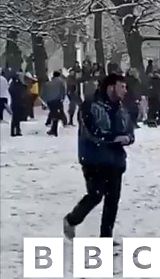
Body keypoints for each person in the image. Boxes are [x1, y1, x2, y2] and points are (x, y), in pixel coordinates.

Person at [63, 73, 136, 239]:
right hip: (94, 158)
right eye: (121, 86)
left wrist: (128, 138)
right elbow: (91, 131)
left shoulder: (121, 108)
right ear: (111, 87)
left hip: (115, 160)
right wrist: (112, 138)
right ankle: (72, 219)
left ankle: (106, 237)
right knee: (95, 195)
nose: (125, 90)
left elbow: (130, 129)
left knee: (112, 200)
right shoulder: (90, 105)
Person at [42, 71, 68, 135]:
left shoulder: (49, 83)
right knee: (57, 114)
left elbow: (44, 92)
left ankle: (53, 129)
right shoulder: (61, 82)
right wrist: (62, 98)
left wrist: (45, 101)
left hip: (50, 101)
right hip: (57, 100)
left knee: (54, 114)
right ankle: (55, 129)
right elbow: (63, 91)